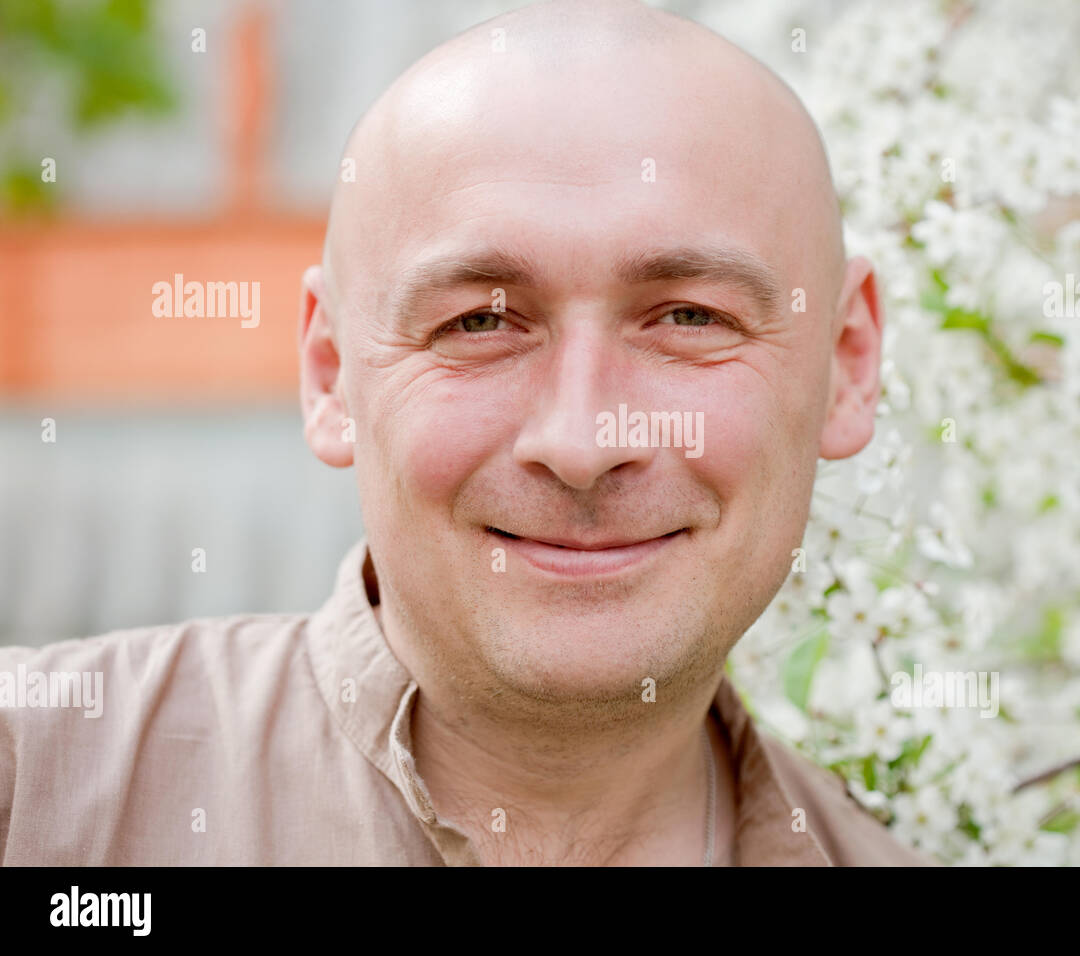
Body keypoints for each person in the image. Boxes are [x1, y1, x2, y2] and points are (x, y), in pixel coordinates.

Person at [0, 0, 928, 866]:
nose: (582, 439)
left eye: (688, 317)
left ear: (848, 362)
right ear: (331, 375)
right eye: (479, 324)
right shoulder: (35, 791)